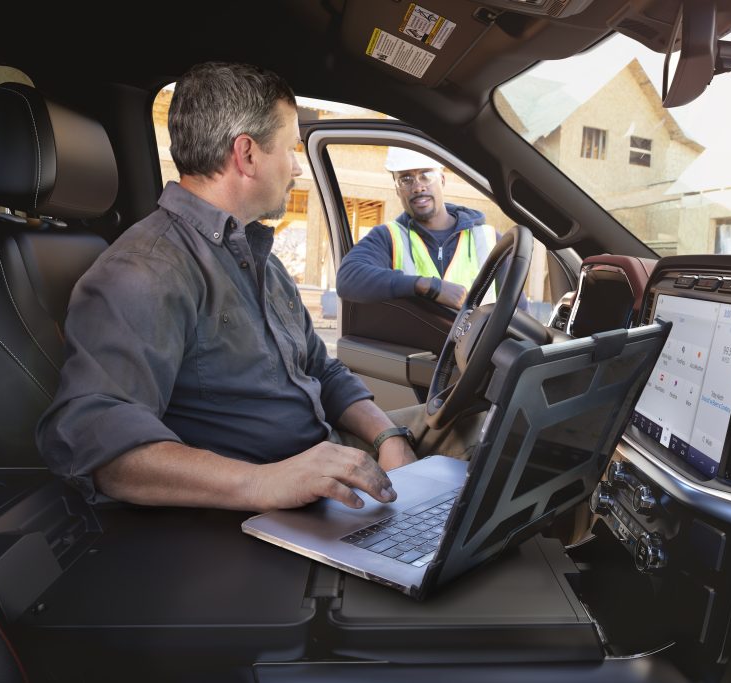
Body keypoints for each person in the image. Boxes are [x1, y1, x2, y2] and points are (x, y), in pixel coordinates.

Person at [36, 62, 418, 513]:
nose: (297, 167)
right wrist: (263, 483)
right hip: (255, 511)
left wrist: (386, 435)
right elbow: (97, 439)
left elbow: (321, 369)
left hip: (322, 473)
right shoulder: (144, 270)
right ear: (247, 155)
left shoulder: (259, 260)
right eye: (291, 148)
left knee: (465, 437)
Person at [335, 147, 497, 309]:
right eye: (406, 179)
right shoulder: (388, 237)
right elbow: (348, 278)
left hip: (479, 335)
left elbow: (518, 308)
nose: (418, 187)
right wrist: (427, 286)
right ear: (397, 190)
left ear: (442, 180)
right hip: (414, 334)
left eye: (426, 176)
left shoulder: (489, 239)